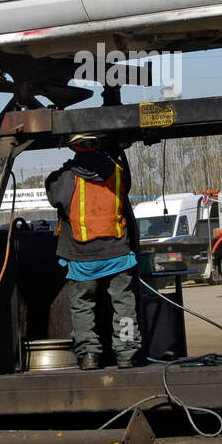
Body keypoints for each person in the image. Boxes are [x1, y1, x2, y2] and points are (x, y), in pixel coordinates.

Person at [44, 133, 140, 370]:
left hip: (83, 257)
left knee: (83, 307)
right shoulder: (118, 171)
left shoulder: (67, 176)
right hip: (118, 255)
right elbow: (124, 191)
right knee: (124, 305)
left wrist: (63, 171)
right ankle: (126, 353)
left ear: (73, 146)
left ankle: (89, 355)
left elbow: (55, 197)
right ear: (97, 143)